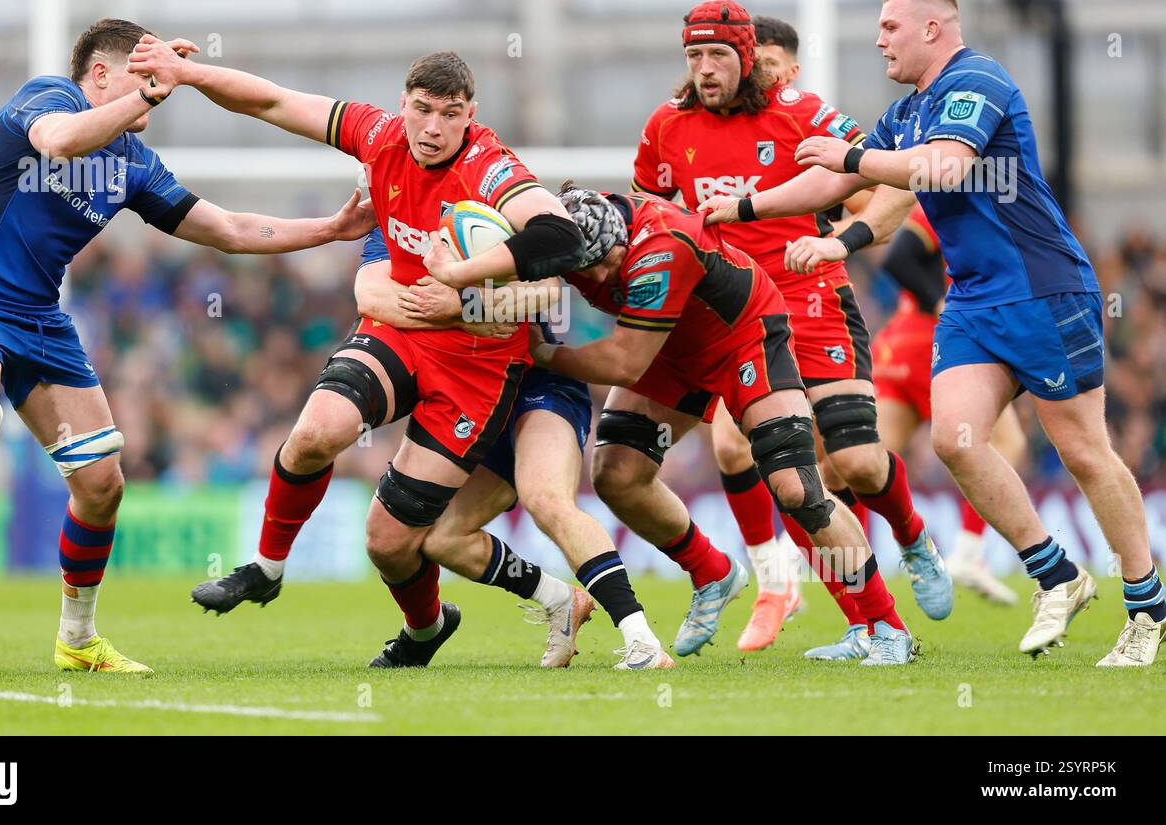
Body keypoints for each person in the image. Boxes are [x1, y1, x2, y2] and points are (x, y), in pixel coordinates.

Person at [0, 18, 375, 673]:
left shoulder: (132, 163)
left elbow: (226, 228)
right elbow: (55, 144)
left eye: (158, 78)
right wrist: (146, 94)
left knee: (102, 482)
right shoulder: (49, 99)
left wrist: (332, 229)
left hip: (39, 318)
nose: (156, 89)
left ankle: (77, 639)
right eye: (142, 76)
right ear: (102, 75)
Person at [702, 0, 1164, 666]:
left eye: (890, 26)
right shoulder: (909, 110)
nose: (880, 38)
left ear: (932, 29)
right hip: (973, 299)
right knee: (955, 439)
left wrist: (850, 159)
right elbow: (869, 191)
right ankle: (1057, 573)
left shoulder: (977, 79)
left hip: (1042, 290)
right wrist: (766, 215)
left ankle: (1146, 606)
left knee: (1084, 451)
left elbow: (943, 169)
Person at [141, 40, 595, 668]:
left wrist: (466, 286)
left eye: (451, 113)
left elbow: (560, 237)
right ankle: (269, 567)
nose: (433, 128)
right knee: (314, 433)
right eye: (422, 109)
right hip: (402, 332)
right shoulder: (376, 135)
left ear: (472, 114)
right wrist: (188, 73)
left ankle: (448, 626)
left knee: (388, 542)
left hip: (480, 366)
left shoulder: (492, 170)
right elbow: (271, 100)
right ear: (402, 105)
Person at [631, 2, 949, 655]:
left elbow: (888, 173)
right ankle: (814, 599)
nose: (705, 68)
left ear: (752, 60)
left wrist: (843, 237)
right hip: (738, 314)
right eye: (695, 55)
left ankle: (914, 539)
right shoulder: (667, 126)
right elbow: (653, 210)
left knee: (855, 461)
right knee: (760, 461)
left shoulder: (797, 111)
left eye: (719, 54)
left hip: (810, 299)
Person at [534, 184, 916, 665]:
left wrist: (542, 353)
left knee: (797, 487)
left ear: (622, 239)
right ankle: (712, 572)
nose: (600, 278)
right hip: (671, 348)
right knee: (616, 475)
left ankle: (887, 626)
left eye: (607, 263)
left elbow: (624, 362)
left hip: (744, 338)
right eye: (583, 271)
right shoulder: (562, 239)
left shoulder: (663, 245)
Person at [355, 225, 671, 668]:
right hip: (474, 398)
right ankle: (559, 599)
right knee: (442, 539)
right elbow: (371, 297)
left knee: (546, 499)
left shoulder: (497, 210)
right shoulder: (398, 228)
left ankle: (641, 640)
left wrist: (464, 304)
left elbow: (547, 292)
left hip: (538, 385)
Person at [870, 203, 1021, 606]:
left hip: (896, 348)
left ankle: (792, 559)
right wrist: (943, 307)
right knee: (1006, 441)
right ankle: (968, 553)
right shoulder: (952, 200)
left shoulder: (967, 202)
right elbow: (899, 259)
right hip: (937, 345)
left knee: (865, 465)